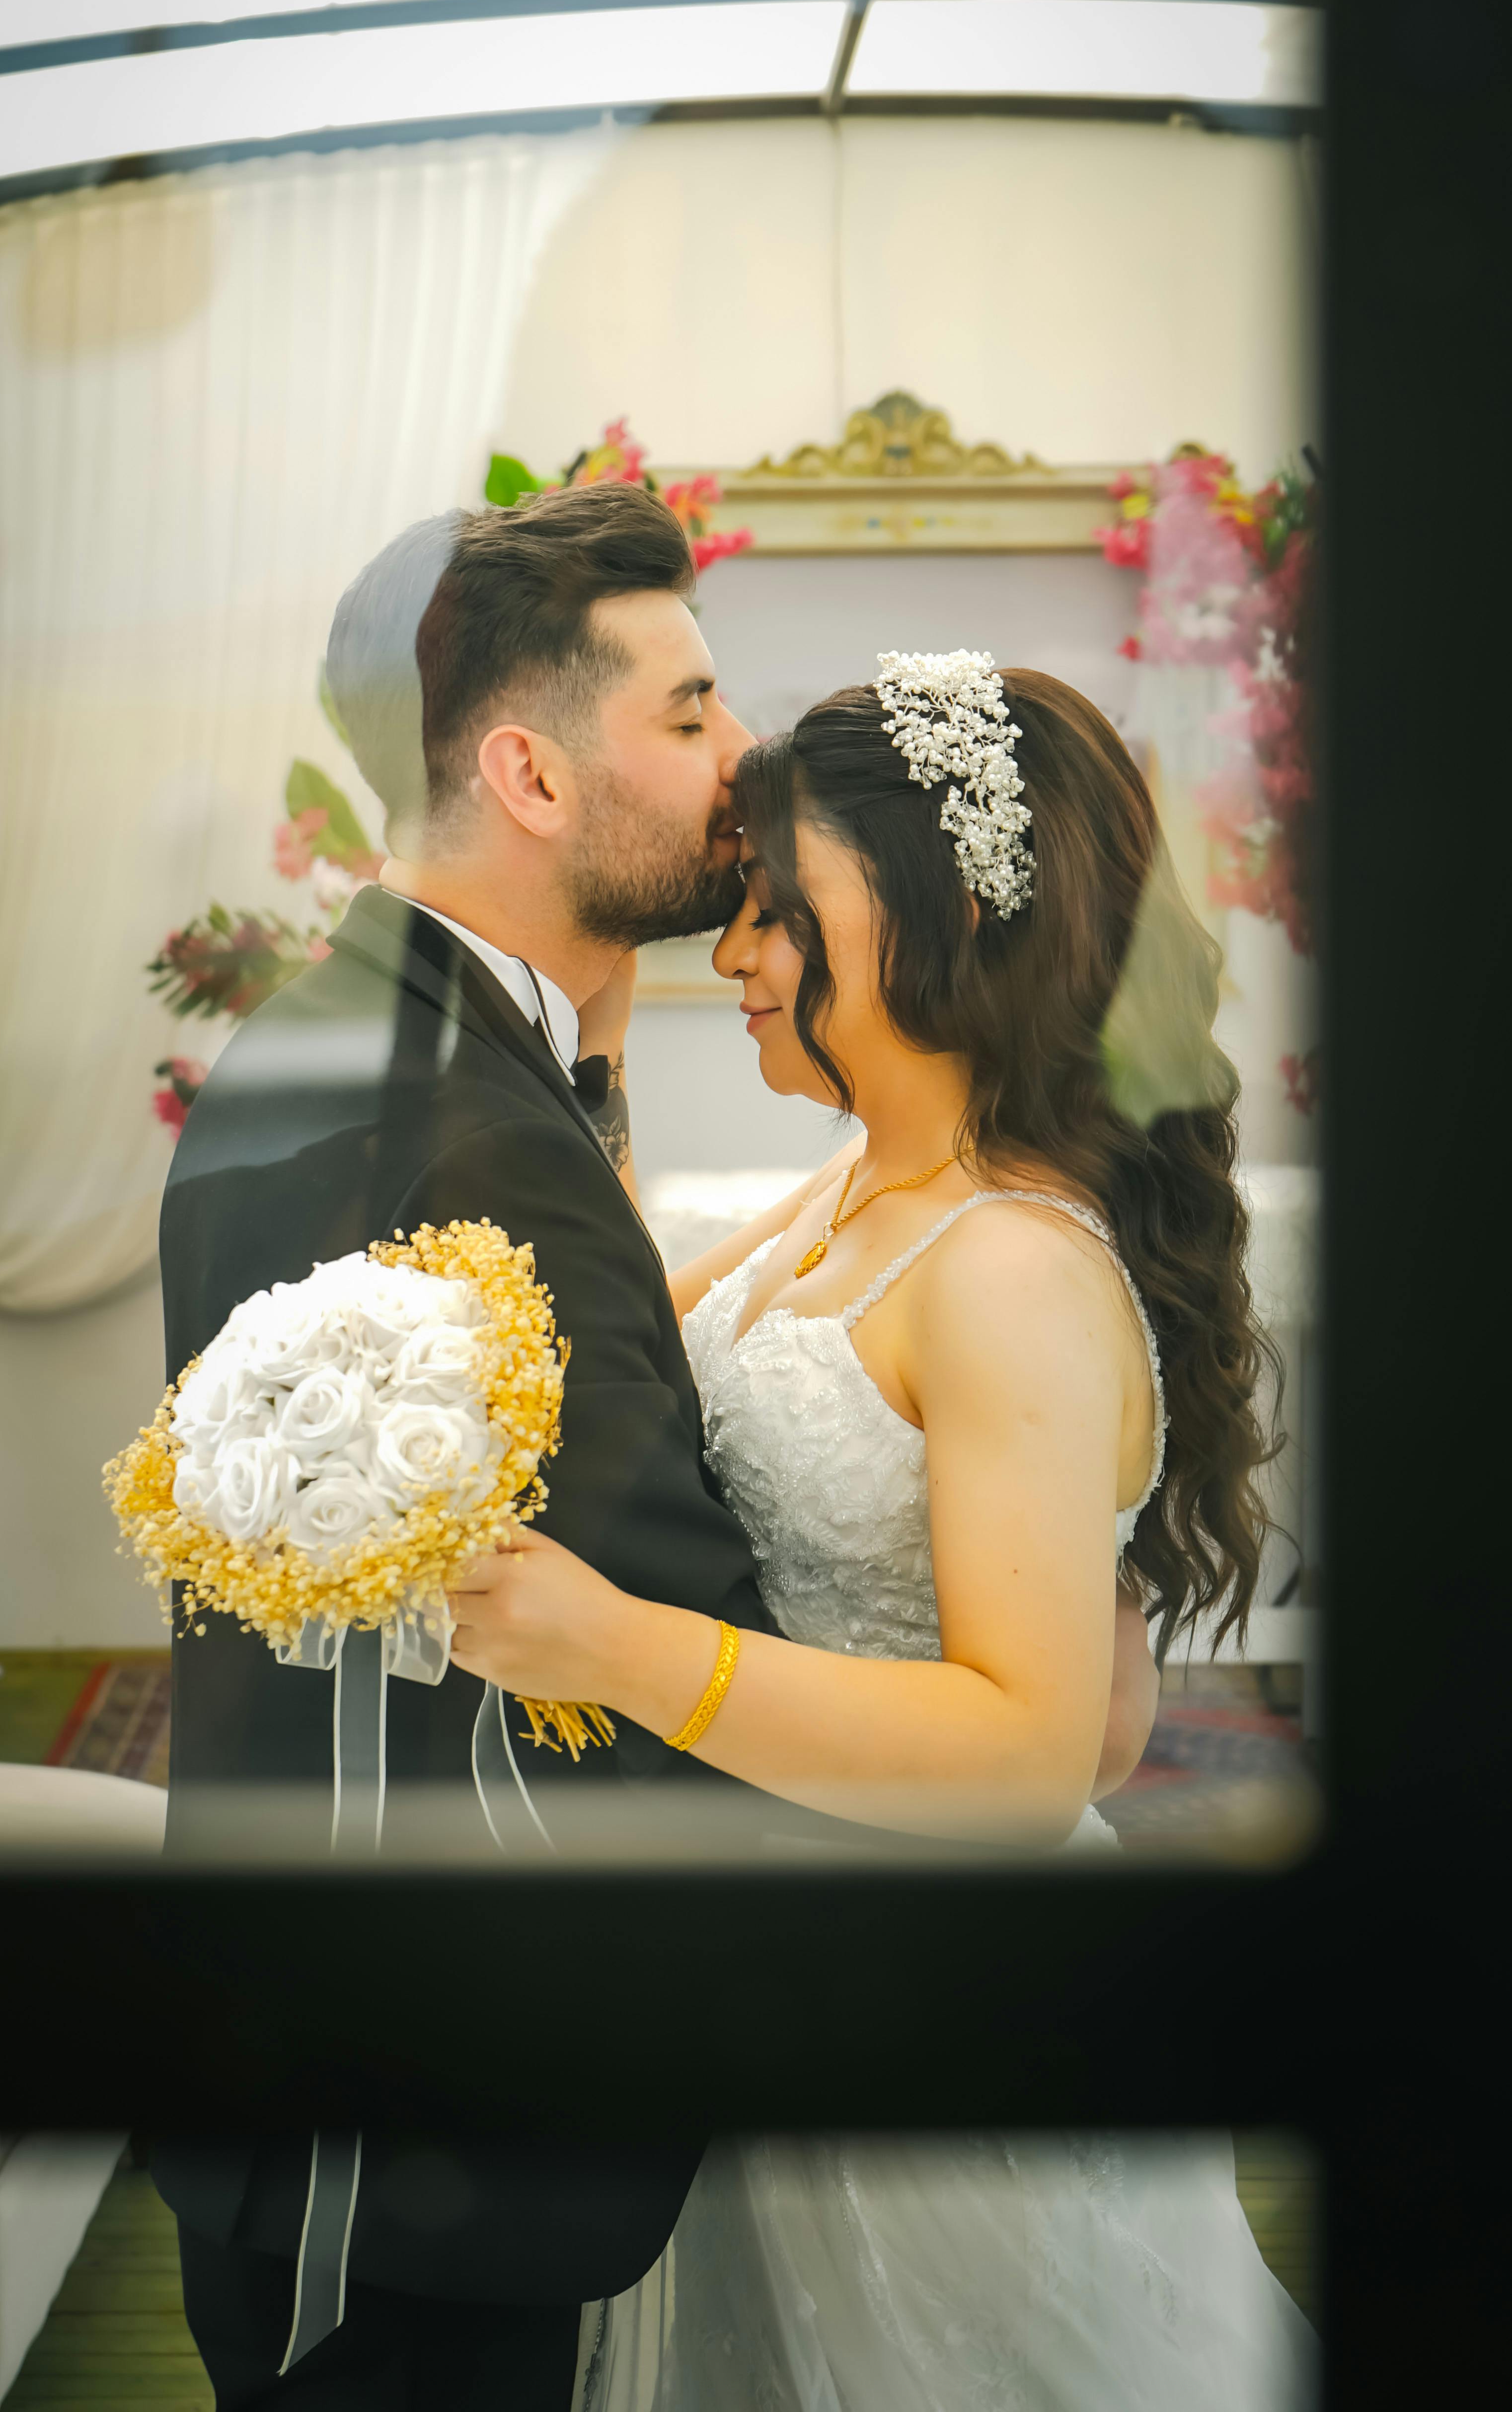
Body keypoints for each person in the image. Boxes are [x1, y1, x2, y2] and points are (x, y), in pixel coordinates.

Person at [153, 511, 1159, 2410]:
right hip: (437, 2120)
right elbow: (651, 1381)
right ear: (529, 774)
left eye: (789, 900)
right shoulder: (565, 1145)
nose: (732, 776)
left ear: (938, 925)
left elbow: (657, 1464)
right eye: (691, 713)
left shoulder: (424, 1068)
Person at [450, 653, 1317, 2408]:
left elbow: (1033, 1758)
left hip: (946, 2003)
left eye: (779, 913)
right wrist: (591, 1058)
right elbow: (637, 1340)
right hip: (796, 1946)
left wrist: (614, 1649)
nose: (734, 957)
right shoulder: (868, 1183)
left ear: (951, 917)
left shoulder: (1005, 1268)